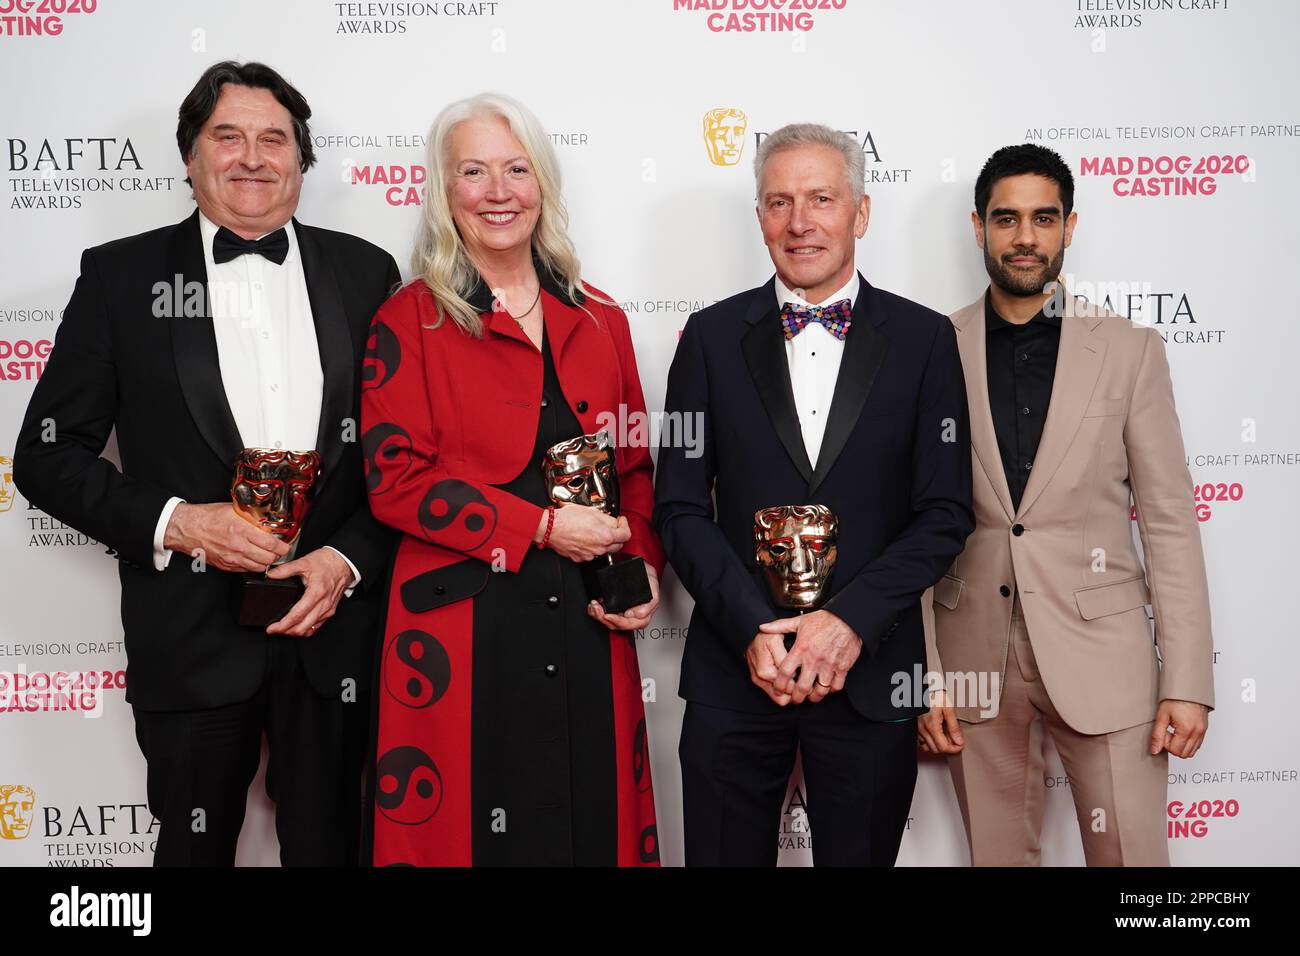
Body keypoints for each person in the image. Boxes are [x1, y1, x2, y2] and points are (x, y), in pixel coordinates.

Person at [13, 61, 400, 866]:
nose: (252, 157)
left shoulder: (369, 273)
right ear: (189, 158)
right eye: (228, 137)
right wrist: (178, 523)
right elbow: (46, 456)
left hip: (335, 637)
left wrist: (344, 561)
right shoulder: (121, 278)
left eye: (274, 139)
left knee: (334, 850)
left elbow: (401, 460)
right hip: (188, 640)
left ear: (302, 160)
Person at [654, 123, 974, 866]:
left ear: (860, 213)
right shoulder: (707, 337)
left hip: (871, 669)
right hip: (737, 672)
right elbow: (677, 504)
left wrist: (847, 623)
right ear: (760, 217)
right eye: (779, 202)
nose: (800, 223)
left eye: (822, 199)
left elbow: (945, 512)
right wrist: (750, 629)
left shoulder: (925, 340)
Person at [361, 93, 663, 867]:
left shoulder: (602, 317)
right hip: (463, 631)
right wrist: (540, 527)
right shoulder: (408, 319)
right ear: (444, 190)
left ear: (543, 185)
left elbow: (632, 467)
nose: (499, 191)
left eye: (517, 169)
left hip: (589, 622)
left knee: (589, 828)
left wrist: (645, 569)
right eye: (474, 172)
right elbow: (393, 481)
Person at [919, 144, 1214, 866]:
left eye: (1043, 219)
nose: (1025, 237)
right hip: (972, 662)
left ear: (1069, 227)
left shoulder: (1128, 350)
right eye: (1006, 219)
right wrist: (925, 676)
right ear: (978, 227)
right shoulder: (929, 346)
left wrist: (1187, 680)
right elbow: (913, 523)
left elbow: (1170, 520)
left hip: (1104, 657)